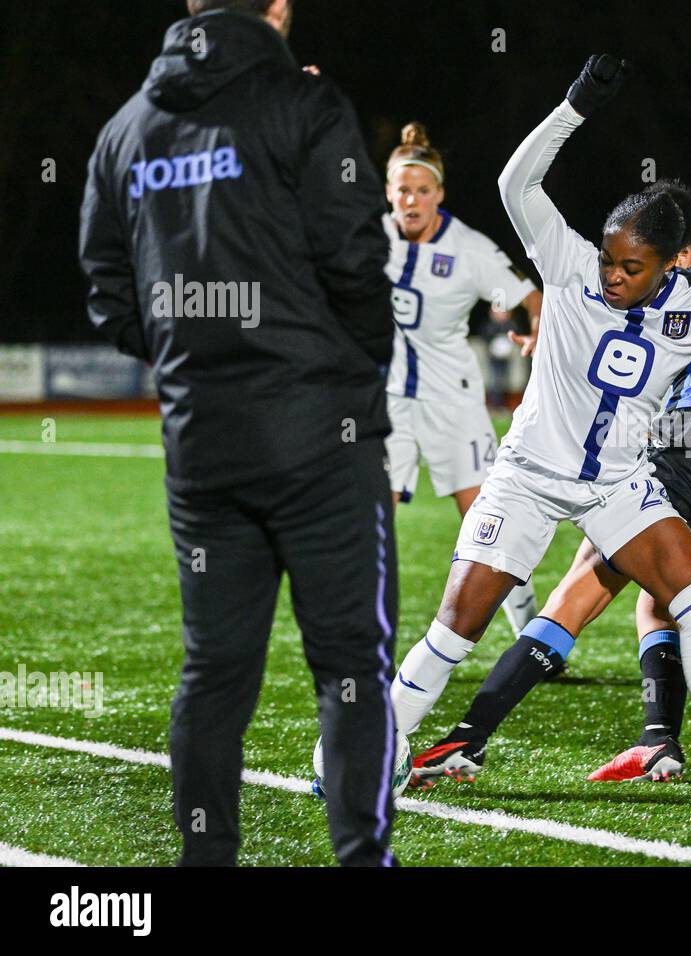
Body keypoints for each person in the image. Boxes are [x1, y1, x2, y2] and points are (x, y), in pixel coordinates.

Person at [387, 55, 691, 806]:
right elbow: (516, 184)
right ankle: (373, 750)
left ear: (668, 267)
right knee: (459, 624)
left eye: (631, 266)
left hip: (618, 485)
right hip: (528, 476)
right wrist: (575, 107)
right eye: (611, 258)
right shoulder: (568, 260)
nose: (613, 275)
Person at [78, 0, 400, 864]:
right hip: (319, 436)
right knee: (350, 668)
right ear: (281, 9)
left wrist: (194, 353)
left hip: (202, 446)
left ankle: (206, 857)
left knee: (213, 674)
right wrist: (356, 361)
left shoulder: (124, 130)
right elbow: (356, 261)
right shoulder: (305, 104)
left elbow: (108, 290)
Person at [383, 121, 543, 636]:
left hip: (450, 397)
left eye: (422, 191)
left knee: (483, 521)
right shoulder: (366, 235)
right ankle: (368, 641)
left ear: (439, 195)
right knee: (370, 523)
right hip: (383, 401)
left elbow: (531, 299)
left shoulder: (469, 249)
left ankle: (529, 630)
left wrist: (537, 335)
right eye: (403, 190)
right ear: (388, 193)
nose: (412, 200)